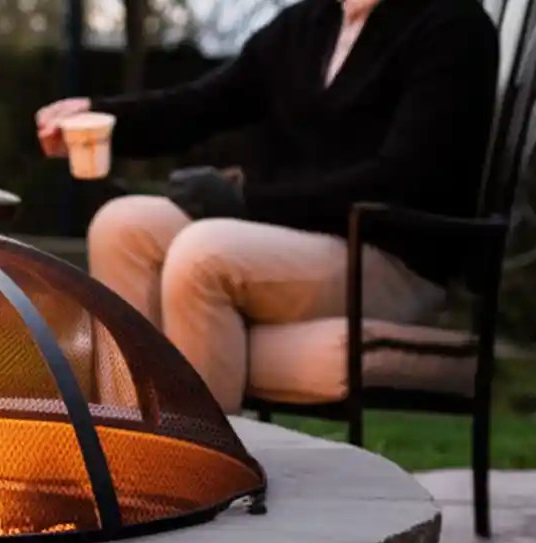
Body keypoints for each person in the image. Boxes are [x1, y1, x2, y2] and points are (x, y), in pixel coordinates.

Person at [34, 0, 498, 414]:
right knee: (122, 226)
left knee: (204, 252)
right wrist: (101, 117)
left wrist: (245, 202)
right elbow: (201, 105)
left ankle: (207, 463)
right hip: (292, 238)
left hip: (388, 257)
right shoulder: (309, 23)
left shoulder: (452, 26)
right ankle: (132, 441)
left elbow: (402, 178)